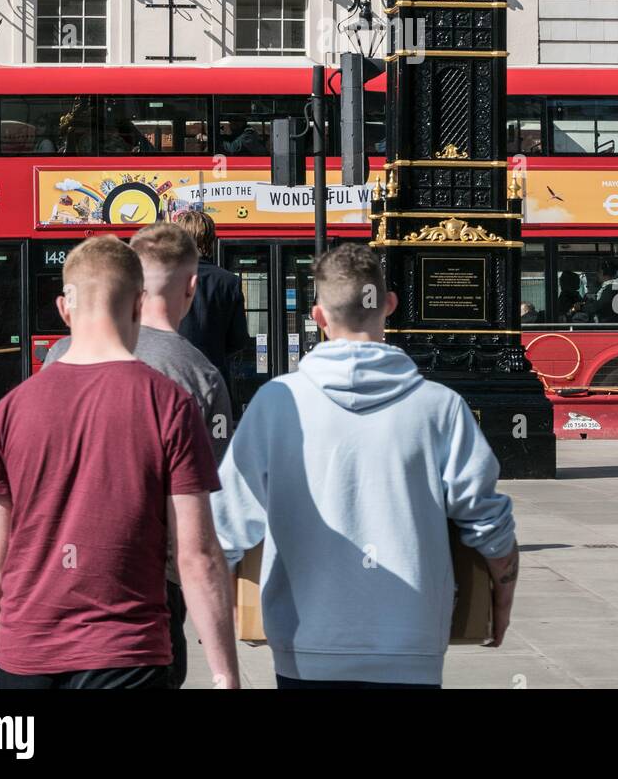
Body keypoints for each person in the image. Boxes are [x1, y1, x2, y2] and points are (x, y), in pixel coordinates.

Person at [211, 242, 519, 690]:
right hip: (410, 645)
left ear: (318, 316)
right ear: (389, 304)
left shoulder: (277, 403)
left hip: (305, 648)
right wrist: (501, 601)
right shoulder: (440, 407)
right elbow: (487, 520)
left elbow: (224, 530)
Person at [0, 235, 239, 691]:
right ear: (137, 303)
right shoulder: (169, 403)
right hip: (127, 653)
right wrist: (225, 673)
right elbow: (196, 555)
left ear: (64, 309)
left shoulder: (12, 409)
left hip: (25, 654)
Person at [42, 224, 233, 689]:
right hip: (150, 589)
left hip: (55, 583)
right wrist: (225, 671)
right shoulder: (200, 377)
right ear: (192, 286)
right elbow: (203, 516)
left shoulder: (59, 355)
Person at [174, 211, 249, 395]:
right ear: (211, 239)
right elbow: (238, 340)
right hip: (214, 383)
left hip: (174, 380)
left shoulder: (165, 278)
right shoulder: (229, 281)